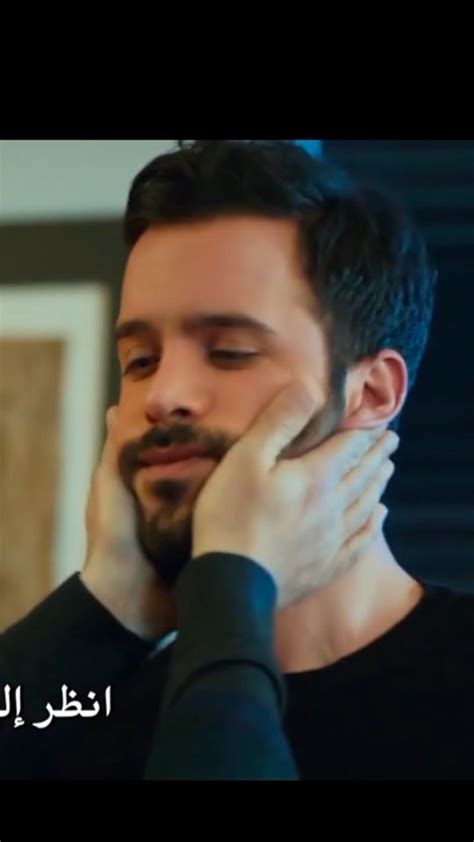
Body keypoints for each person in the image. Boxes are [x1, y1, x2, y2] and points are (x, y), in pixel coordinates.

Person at [1, 140, 472, 780]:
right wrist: (110, 605)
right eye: (141, 361)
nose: (163, 395)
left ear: (372, 393)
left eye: (229, 352)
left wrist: (232, 581)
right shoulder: (87, 712)